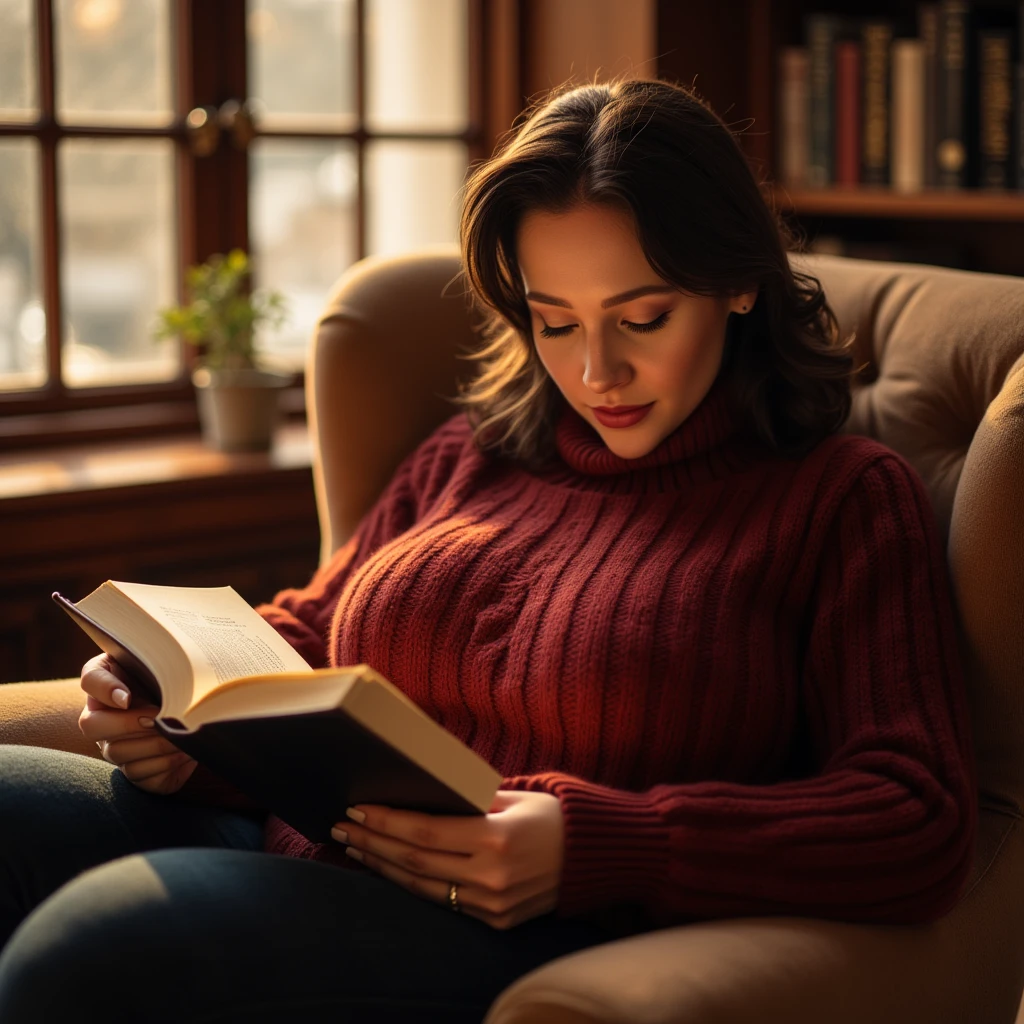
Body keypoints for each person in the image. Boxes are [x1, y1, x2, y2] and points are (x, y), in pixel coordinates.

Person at [0, 75, 977, 1022]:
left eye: (642, 318)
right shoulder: (473, 449)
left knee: (98, 943)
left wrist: (615, 846)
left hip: (523, 932)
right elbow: (313, 632)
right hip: (293, 842)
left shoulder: (840, 498)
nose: (597, 372)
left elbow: (916, 817)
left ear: (735, 286)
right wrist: (169, 709)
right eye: (554, 321)